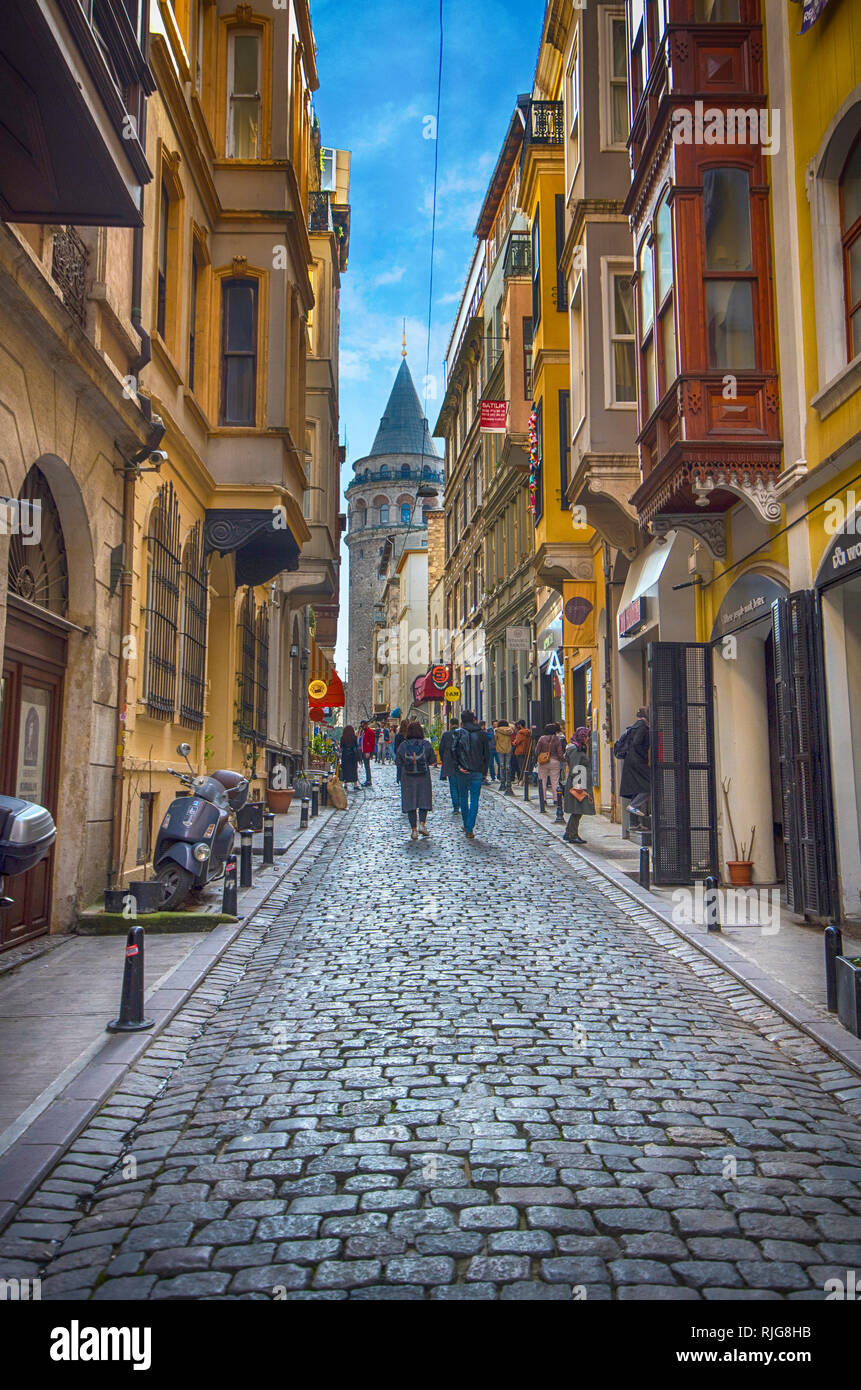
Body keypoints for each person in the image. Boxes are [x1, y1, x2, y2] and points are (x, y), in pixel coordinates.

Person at [396, 720, 437, 840]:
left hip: (408, 777)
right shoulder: (426, 744)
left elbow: (398, 761)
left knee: (410, 802)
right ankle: (422, 824)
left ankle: (413, 830)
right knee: (423, 800)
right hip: (423, 776)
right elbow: (432, 760)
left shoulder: (403, 745)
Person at [453, 709, 490, 839]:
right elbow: (486, 755)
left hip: (462, 771)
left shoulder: (457, 733)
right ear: (474, 719)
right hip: (477, 771)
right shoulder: (481, 734)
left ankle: (466, 824)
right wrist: (484, 772)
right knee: (474, 800)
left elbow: (453, 752)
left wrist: (458, 766)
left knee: (463, 798)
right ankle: (469, 828)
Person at [615, 706, 650, 818]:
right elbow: (637, 743)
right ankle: (634, 805)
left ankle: (634, 823)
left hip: (630, 761)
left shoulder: (633, 727)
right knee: (650, 785)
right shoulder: (642, 727)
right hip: (638, 761)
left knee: (636, 788)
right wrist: (644, 755)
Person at [563, 726, 596, 844]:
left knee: (577, 810)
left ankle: (571, 833)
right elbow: (576, 768)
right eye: (587, 736)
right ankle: (571, 834)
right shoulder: (576, 751)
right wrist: (580, 788)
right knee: (577, 810)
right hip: (578, 784)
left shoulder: (578, 749)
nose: (588, 739)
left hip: (579, 783)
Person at [534, 722, 566, 813]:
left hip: (543, 761)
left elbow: (536, 751)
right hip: (555, 761)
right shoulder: (557, 739)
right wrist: (563, 760)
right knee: (555, 781)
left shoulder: (541, 738)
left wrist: (539, 755)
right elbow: (560, 752)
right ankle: (556, 799)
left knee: (542, 781)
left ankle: (543, 799)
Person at [438, 718, 461, 814]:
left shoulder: (446, 735)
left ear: (450, 724)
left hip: (449, 762)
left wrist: (444, 760)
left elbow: (441, 749)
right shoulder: (462, 734)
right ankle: (460, 803)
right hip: (461, 762)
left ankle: (456, 806)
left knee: (453, 785)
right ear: (458, 724)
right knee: (460, 784)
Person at [338, 725, 360, 790]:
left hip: (345, 755)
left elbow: (341, 747)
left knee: (345, 769)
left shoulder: (342, 737)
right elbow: (356, 745)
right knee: (354, 769)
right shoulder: (354, 737)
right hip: (353, 755)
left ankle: (345, 784)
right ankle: (355, 784)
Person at [495, 719, 513, 790]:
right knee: (508, 766)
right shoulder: (510, 730)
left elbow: (495, 739)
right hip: (508, 749)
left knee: (502, 765)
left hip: (500, 750)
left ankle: (502, 783)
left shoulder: (497, 731)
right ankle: (509, 783)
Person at [394, 718, 409, 783]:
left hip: (400, 754)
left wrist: (397, 753)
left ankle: (399, 778)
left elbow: (396, 746)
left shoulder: (398, 735)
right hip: (408, 754)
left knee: (399, 767)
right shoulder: (409, 735)